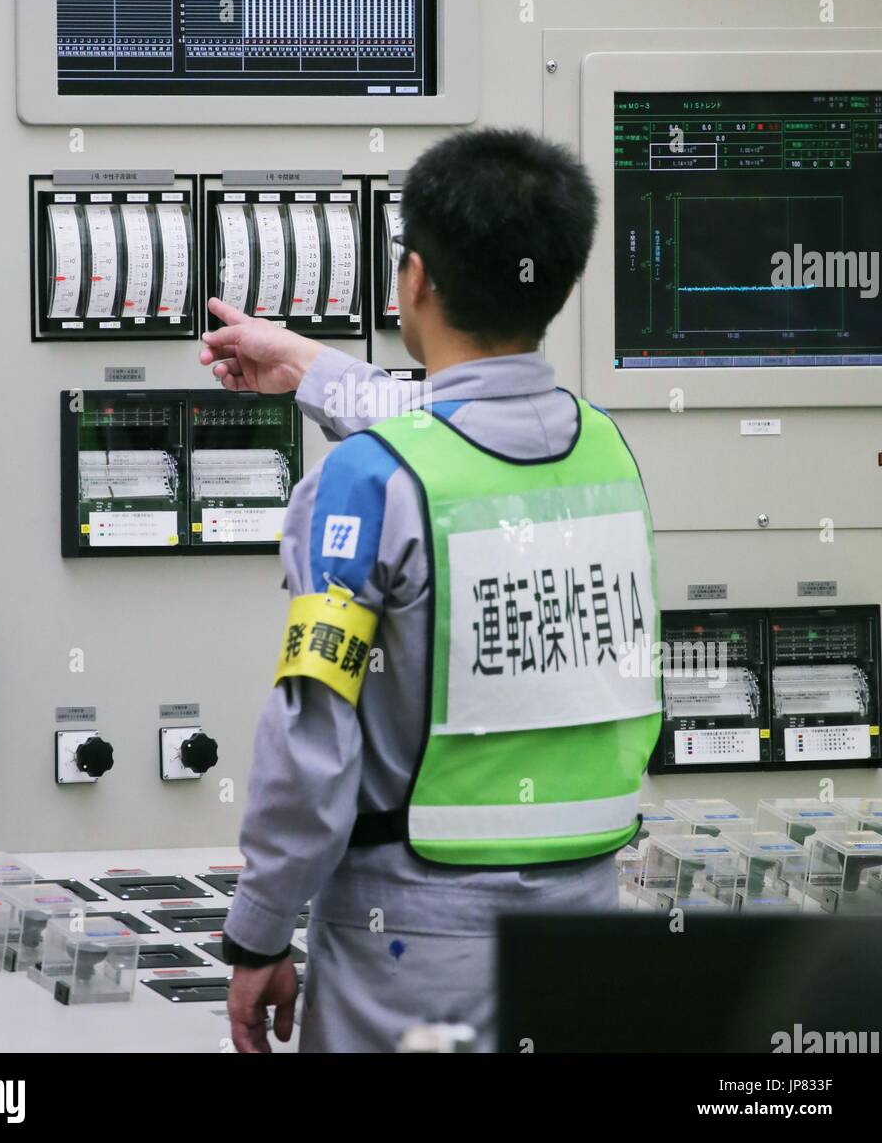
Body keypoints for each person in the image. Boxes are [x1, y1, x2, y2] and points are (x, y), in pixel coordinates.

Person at [200, 128, 662, 1054]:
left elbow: (312, 738)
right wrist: (310, 368)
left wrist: (257, 930)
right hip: (587, 933)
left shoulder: (367, 482)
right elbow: (474, 426)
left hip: (410, 949)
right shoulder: (607, 448)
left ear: (414, 279)